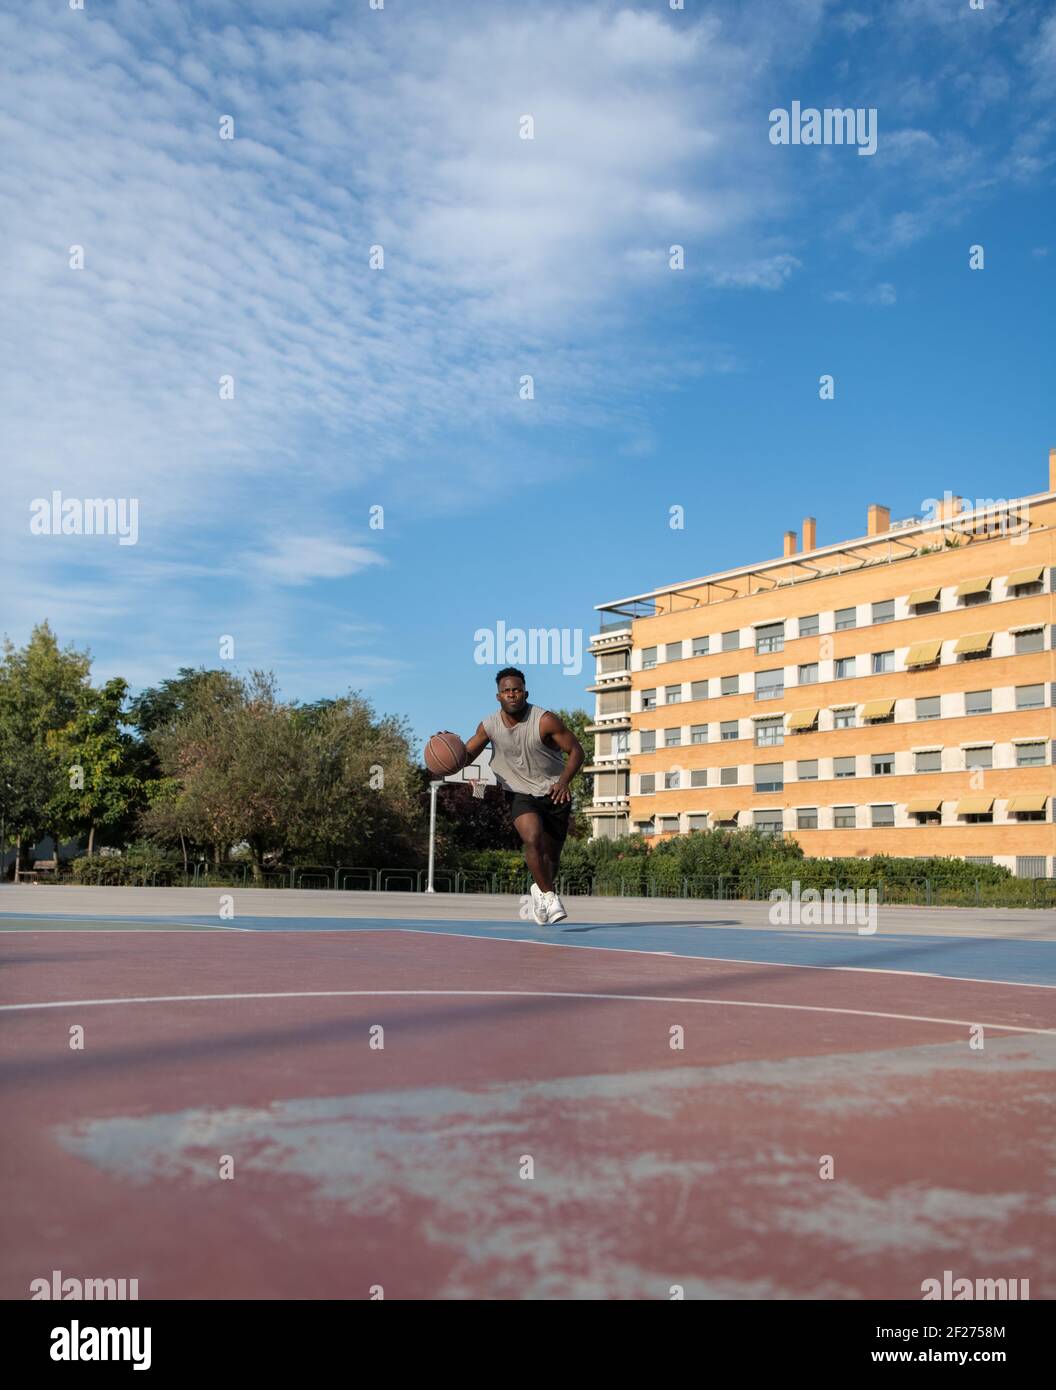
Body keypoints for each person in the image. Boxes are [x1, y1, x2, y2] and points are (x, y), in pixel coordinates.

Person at [460, 668, 584, 925]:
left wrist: (563, 782)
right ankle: (550, 896)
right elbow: (465, 755)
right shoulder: (489, 726)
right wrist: (446, 748)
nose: (512, 694)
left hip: (553, 792)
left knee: (550, 858)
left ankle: (540, 891)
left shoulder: (545, 720)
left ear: (525, 692)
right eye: (507, 691)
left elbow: (577, 751)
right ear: (498, 696)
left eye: (516, 690)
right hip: (518, 792)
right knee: (532, 837)